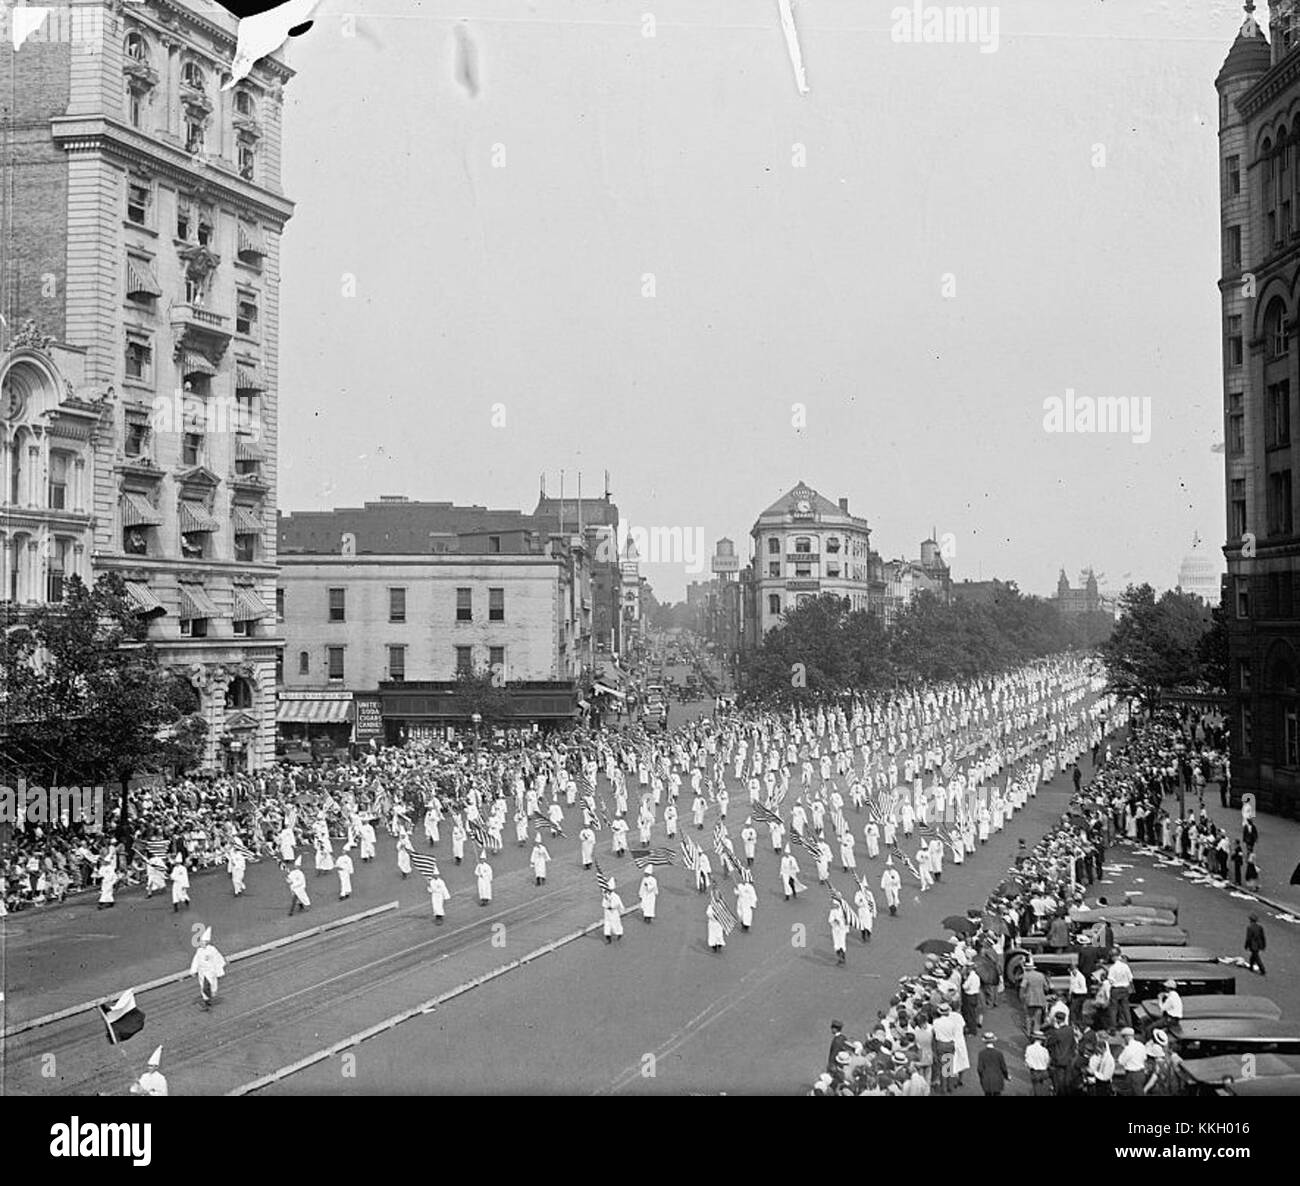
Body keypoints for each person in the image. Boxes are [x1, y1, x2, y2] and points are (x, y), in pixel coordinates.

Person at [189, 926, 226, 1010]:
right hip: (202, 971)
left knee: (208, 986)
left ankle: (209, 996)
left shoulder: (212, 950)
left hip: (210, 971)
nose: (201, 943)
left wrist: (219, 971)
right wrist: (193, 970)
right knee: (204, 987)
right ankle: (207, 1001)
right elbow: (196, 960)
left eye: (202, 942)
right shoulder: (199, 951)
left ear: (206, 942)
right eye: (201, 942)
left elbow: (218, 959)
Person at [1019, 958, 1048, 1036]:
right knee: (1037, 1018)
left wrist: (1021, 997)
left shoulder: (1027, 976)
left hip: (1030, 999)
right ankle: (1036, 1033)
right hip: (1040, 999)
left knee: (1028, 1017)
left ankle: (1028, 1033)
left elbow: (1022, 987)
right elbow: (1046, 987)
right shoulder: (1041, 975)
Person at [1115, 1026, 1147, 1096]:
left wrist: (1123, 1048)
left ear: (1126, 1037)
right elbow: (1144, 1058)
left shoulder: (1128, 1048)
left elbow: (1121, 1061)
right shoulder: (1141, 1045)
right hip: (1141, 1073)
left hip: (1132, 1075)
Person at [1025, 1030, 1052, 1095]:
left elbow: (1028, 1061)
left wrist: (1029, 1066)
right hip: (1044, 1072)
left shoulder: (1029, 1048)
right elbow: (1047, 1061)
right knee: (1041, 1087)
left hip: (1034, 1071)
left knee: (1035, 1087)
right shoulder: (1045, 1050)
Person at [602, 879, 625, 944]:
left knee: (616, 924)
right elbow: (603, 903)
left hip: (614, 913)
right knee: (607, 925)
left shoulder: (615, 896)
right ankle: (608, 937)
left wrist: (612, 906)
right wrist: (606, 905)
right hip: (607, 913)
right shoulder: (605, 895)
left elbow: (618, 904)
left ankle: (619, 933)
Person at [829, 900, 848, 966]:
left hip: (842, 929)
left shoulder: (844, 910)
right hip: (835, 929)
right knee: (836, 944)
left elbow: (847, 920)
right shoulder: (832, 911)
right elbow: (830, 920)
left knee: (842, 943)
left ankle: (842, 958)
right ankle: (839, 958)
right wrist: (834, 921)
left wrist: (842, 924)